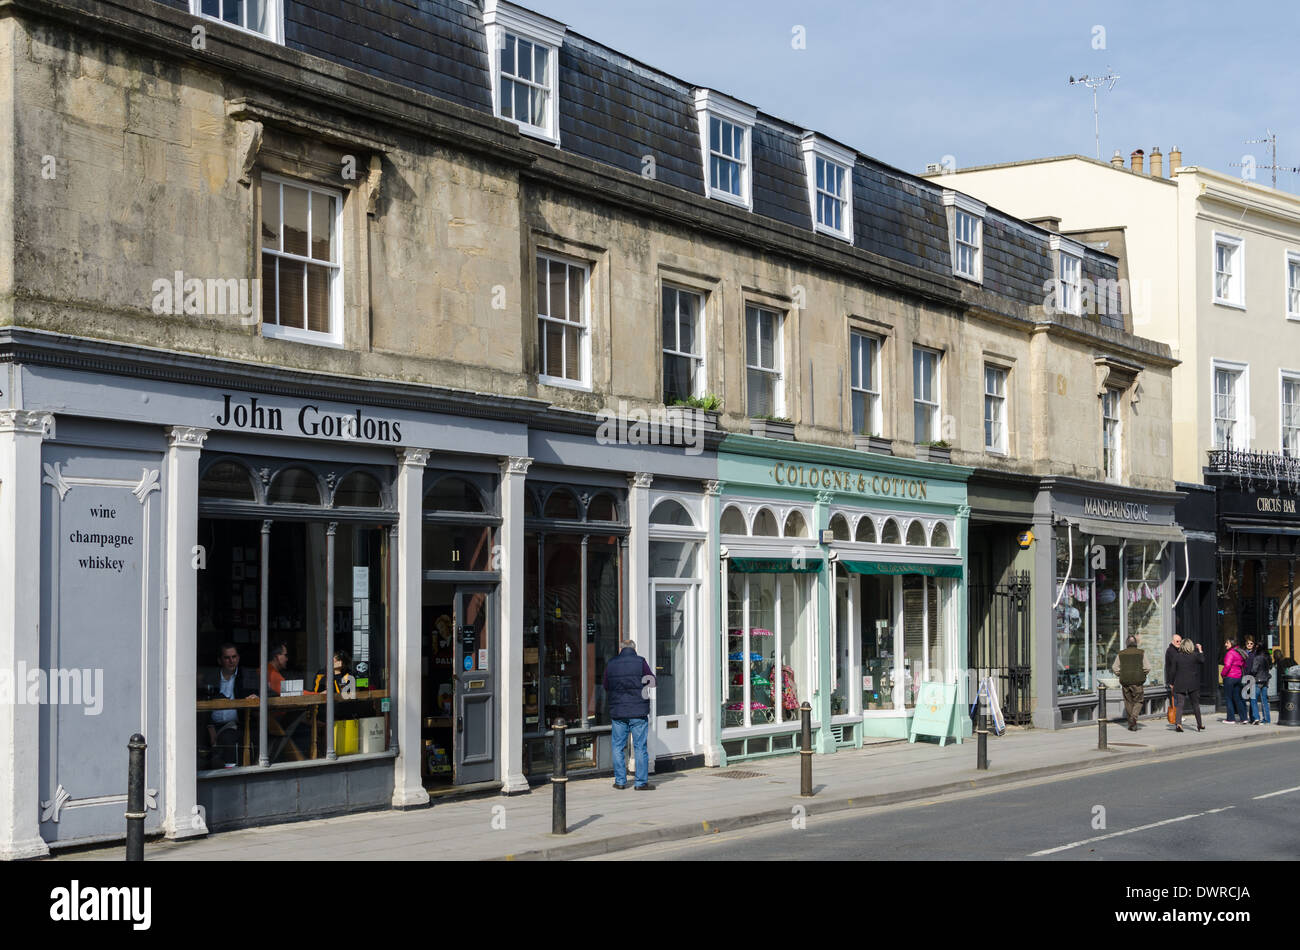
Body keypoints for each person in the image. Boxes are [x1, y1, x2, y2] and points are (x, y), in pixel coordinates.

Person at [602, 638, 655, 791]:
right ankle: (640, 783)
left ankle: (620, 781)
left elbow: (606, 685)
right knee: (639, 747)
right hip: (638, 712)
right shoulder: (640, 662)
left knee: (618, 747)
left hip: (618, 712)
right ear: (634, 648)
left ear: (621, 649)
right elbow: (652, 681)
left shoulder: (612, 663)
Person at [203, 642, 256, 767]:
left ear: (238, 658)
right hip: (211, 725)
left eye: (234, 657)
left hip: (235, 725)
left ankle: (231, 771)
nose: (231, 661)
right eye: (227, 658)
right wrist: (210, 727)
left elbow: (259, 694)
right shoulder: (211, 677)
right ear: (220, 660)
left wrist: (255, 698)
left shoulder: (246, 676)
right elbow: (203, 703)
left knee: (229, 738)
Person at [1111, 635, 1149, 731]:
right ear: (1136, 643)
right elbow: (1147, 667)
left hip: (1125, 681)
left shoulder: (1121, 654)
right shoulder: (1141, 653)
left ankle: (1132, 725)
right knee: (1139, 700)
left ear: (1126, 644)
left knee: (1128, 702)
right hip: (1137, 681)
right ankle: (1133, 717)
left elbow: (1115, 667)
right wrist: (1142, 674)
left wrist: (1121, 674)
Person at [1170, 638, 1205, 732]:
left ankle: (1178, 724)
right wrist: (1200, 650)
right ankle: (1199, 724)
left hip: (1180, 682)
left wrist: (1171, 683)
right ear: (1191, 646)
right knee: (1195, 704)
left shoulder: (1177, 656)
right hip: (1192, 683)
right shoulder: (1194, 655)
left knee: (1180, 704)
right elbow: (1202, 660)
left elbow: (1173, 671)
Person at [1220, 638, 1246, 723]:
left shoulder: (1230, 653)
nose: (1225, 644)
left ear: (1231, 644)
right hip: (1238, 677)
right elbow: (1243, 665)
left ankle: (1230, 719)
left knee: (1228, 698)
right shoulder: (1239, 653)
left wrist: (1223, 674)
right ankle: (1244, 718)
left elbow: (1227, 665)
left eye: (1227, 643)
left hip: (1230, 678)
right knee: (1237, 698)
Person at [1246, 641, 1271, 725]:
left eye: (1256, 646)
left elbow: (1254, 670)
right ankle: (1267, 719)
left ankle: (1256, 717)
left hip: (1257, 680)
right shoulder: (1268, 656)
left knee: (1253, 699)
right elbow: (1270, 667)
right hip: (1265, 680)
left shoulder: (1257, 657)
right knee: (1264, 700)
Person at [1164, 632, 1183, 704]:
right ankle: (1176, 714)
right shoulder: (1171, 651)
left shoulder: (1178, 650)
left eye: (1180, 641)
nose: (1179, 643)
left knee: (1179, 700)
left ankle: (1177, 713)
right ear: (1172, 642)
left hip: (1179, 679)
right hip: (1175, 680)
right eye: (1177, 641)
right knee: (1176, 700)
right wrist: (1171, 682)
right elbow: (1173, 668)